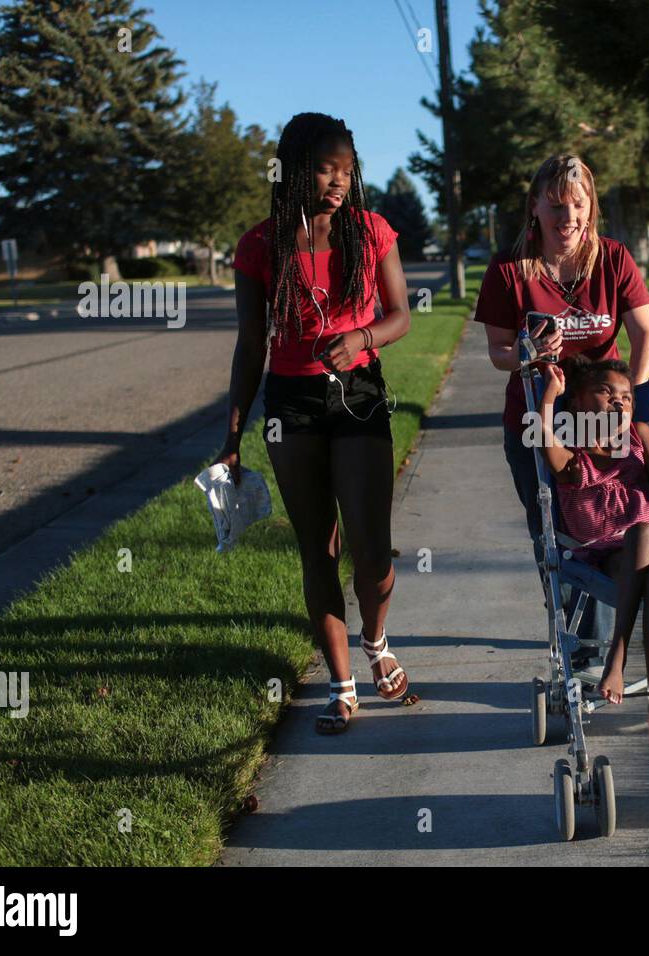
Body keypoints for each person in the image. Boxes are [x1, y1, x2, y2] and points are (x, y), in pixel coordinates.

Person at [213, 112, 411, 735]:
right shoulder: (259, 246)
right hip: (292, 406)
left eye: (347, 170)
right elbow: (251, 346)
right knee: (317, 549)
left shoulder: (372, 232)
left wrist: (362, 337)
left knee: (372, 548)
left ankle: (377, 642)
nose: (338, 182)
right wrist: (232, 436)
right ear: (296, 169)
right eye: (326, 168)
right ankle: (343, 683)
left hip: (358, 396)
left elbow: (401, 315)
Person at [473, 154, 649, 647]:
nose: (568, 217)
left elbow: (646, 337)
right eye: (556, 205)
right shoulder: (509, 269)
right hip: (539, 423)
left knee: (608, 526)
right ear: (534, 206)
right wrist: (527, 352)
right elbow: (497, 352)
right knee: (557, 536)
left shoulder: (614, 259)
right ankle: (576, 642)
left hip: (604, 427)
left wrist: (631, 407)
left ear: (591, 207)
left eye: (578, 204)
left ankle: (595, 646)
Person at [538, 355, 649, 756]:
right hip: (610, 555)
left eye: (626, 396)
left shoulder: (640, 434)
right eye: (606, 392)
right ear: (576, 404)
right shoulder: (572, 444)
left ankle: (618, 657)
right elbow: (550, 455)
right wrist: (546, 399)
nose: (619, 402)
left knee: (643, 532)